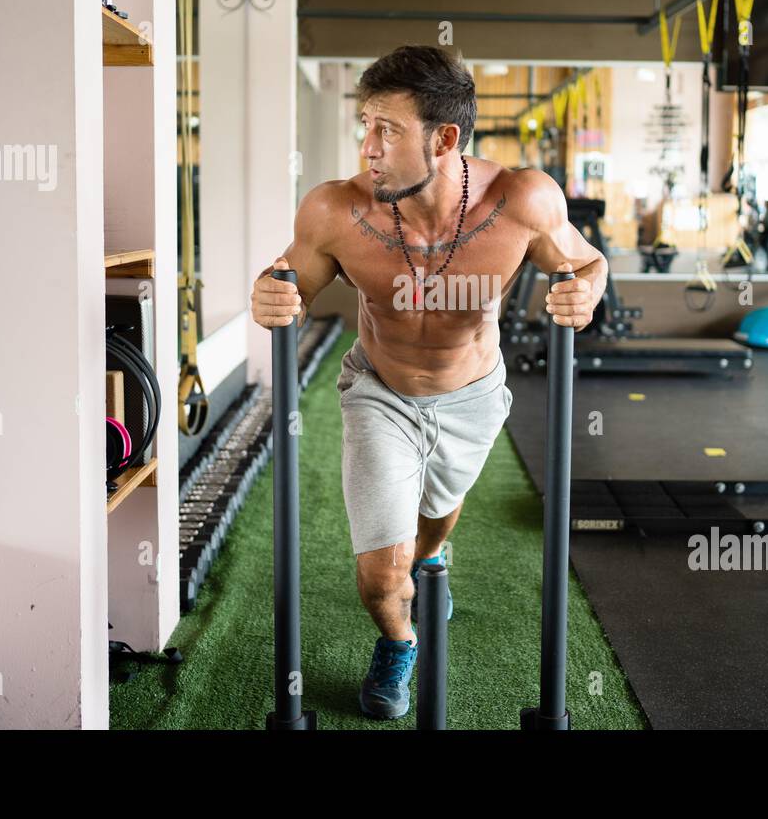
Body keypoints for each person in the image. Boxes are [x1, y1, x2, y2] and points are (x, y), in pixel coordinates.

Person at [251, 45, 607, 719]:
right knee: (382, 575)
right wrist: (268, 295)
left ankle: (433, 559)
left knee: (433, 526)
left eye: (386, 130)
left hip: (472, 396)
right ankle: (399, 639)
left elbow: (588, 264)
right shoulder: (334, 211)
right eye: (365, 126)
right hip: (380, 391)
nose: (367, 148)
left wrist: (585, 291)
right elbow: (284, 278)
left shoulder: (523, 200)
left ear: (444, 139)